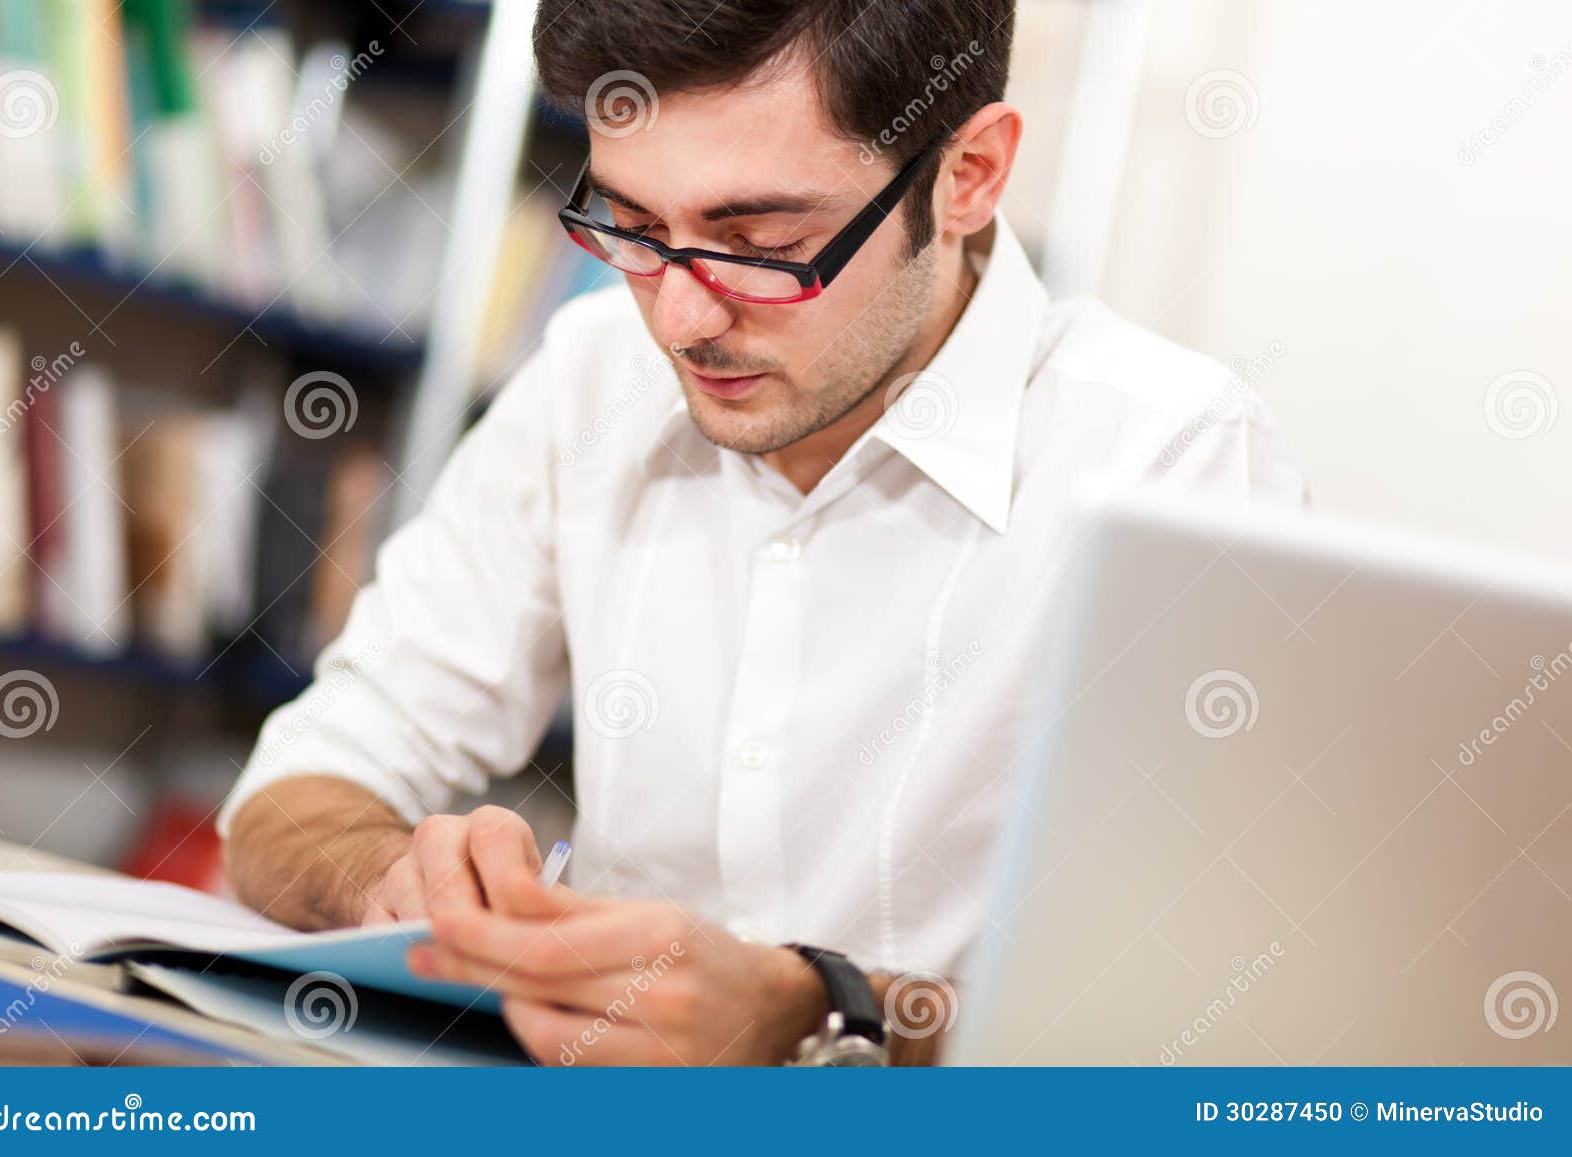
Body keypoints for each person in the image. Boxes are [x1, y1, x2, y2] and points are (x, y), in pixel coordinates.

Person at [220, 0, 1306, 1066]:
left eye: (764, 244)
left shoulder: (1170, 457)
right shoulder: (589, 377)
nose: (680, 321)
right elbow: (290, 793)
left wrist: (824, 1012)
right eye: (635, 229)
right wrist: (395, 880)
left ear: (967, 174)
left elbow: (1221, 1020)